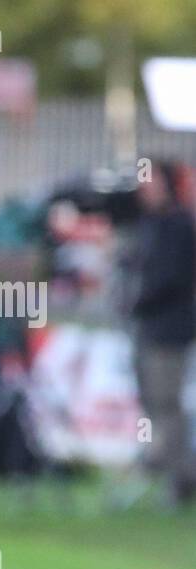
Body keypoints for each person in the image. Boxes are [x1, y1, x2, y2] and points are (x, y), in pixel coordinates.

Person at [124, 160, 196, 509]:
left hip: (169, 330)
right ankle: (166, 468)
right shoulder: (148, 225)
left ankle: (179, 477)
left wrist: (140, 299)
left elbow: (172, 279)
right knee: (152, 404)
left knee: (166, 404)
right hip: (147, 327)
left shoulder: (179, 226)